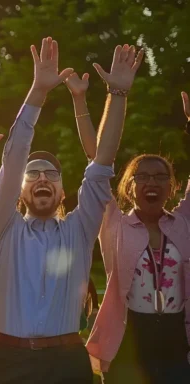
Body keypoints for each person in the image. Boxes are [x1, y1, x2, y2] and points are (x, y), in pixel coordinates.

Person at [0, 38, 140, 383]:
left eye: (51, 175)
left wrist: (118, 95)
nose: (42, 178)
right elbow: (14, 153)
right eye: (33, 174)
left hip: (67, 363)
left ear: (62, 189)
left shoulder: (78, 230)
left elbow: (102, 163)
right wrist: (38, 91)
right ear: (20, 190)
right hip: (9, 363)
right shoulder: (5, 227)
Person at [85, 92, 190, 383]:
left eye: (160, 177)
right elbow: (96, 165)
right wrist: (85, 102)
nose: (152, 182)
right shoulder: (115, 225)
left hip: (177, 341)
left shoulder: (183, 222)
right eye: (142, 177)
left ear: (172, 188)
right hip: (129, 339)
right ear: (129, 188)